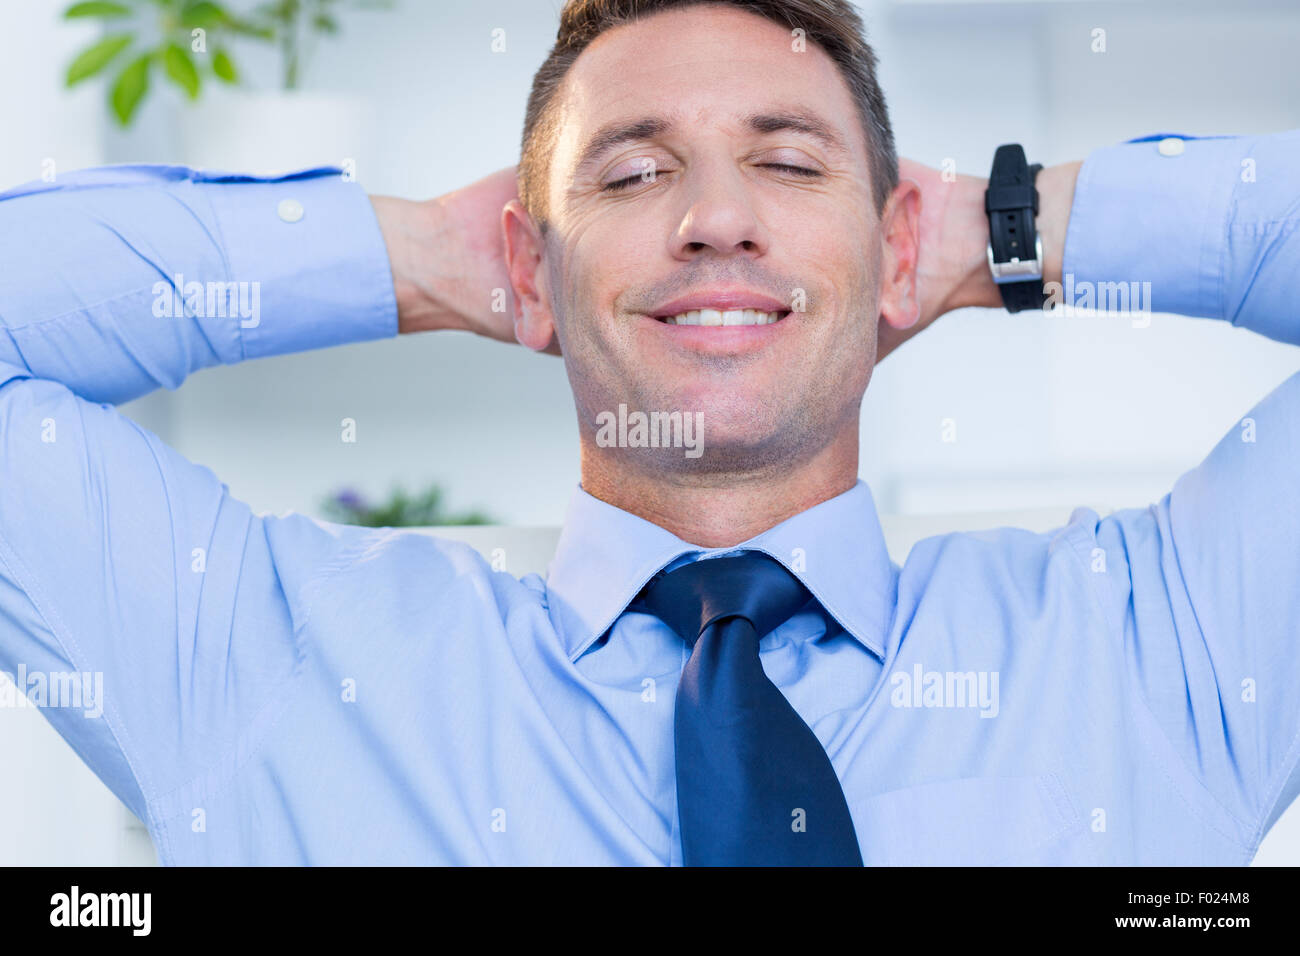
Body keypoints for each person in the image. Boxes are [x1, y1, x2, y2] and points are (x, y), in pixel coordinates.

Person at [0, 0, 1296, 865]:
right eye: (630, 174)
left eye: (789, 165)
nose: (716, 218)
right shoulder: (260, 665)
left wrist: (1011, 226)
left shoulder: (1162, 647)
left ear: (898, 243)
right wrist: (426, 261)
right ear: (531, 261)